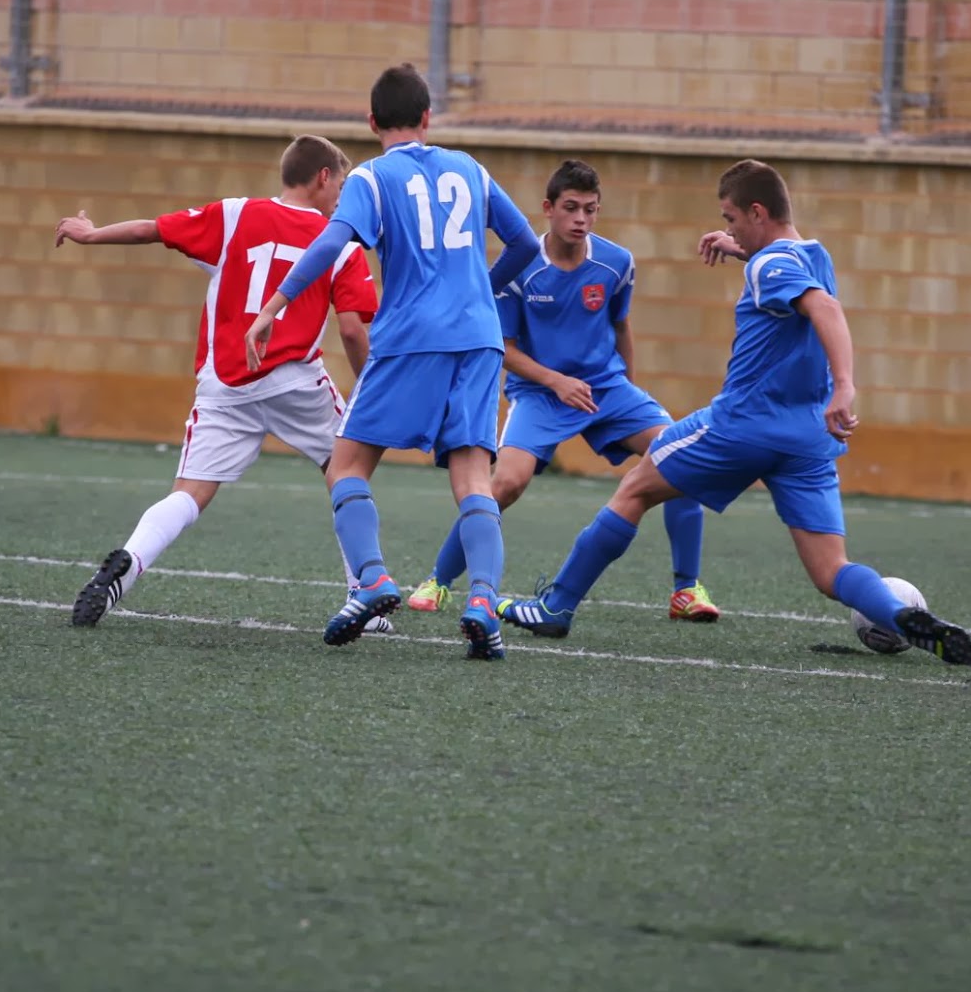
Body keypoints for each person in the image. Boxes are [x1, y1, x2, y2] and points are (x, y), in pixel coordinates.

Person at [498, 159, 971, 665]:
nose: (727, 229)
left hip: (741, 426)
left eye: (731, 219)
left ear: (756, 211)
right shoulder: (815, 254)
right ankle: (898, 614)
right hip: (808, 438)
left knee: (635, 488)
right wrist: (742, 249)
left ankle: (556, 607)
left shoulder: (769, 266)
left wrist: (845, 385)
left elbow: (822, 308)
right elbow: (797, 284)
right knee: (830, 570)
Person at [244, 63, 539, 660]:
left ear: (371, 121)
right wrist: (480, 288)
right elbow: (527, 245)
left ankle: (373, 580)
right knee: (473, 478)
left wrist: (275, 303)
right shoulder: (471, 169)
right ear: (428, 118)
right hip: (479, 340)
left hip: (410, 337)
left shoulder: (372, 178)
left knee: (347, 464)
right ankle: (483, 602)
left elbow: (331, 241)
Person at [55, 134, 393, 633]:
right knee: (346, 471)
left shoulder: (234, 214)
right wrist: (373, 385)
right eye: (340, 183)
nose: (341, 195)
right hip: (294, 380)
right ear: (324, 177)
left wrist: (92, 233)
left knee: (188, 494)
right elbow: (351, 327)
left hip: (225, 382)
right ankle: (362, 596)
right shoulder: (337, 238)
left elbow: (153, 229)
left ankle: (124, 567)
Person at [402, 159, 721, 623]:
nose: (581, 219)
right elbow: (503, 348)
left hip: (605, 389)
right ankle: (439, 579)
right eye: (571, 208)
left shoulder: (616, 262)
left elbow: (621, 326)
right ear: (548, 208)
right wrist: (556, 381)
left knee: (680, 457)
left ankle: (686, 590)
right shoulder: (519, 267)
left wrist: (626, 388)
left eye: (590, 210)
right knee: (506, 482)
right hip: (539, 392)